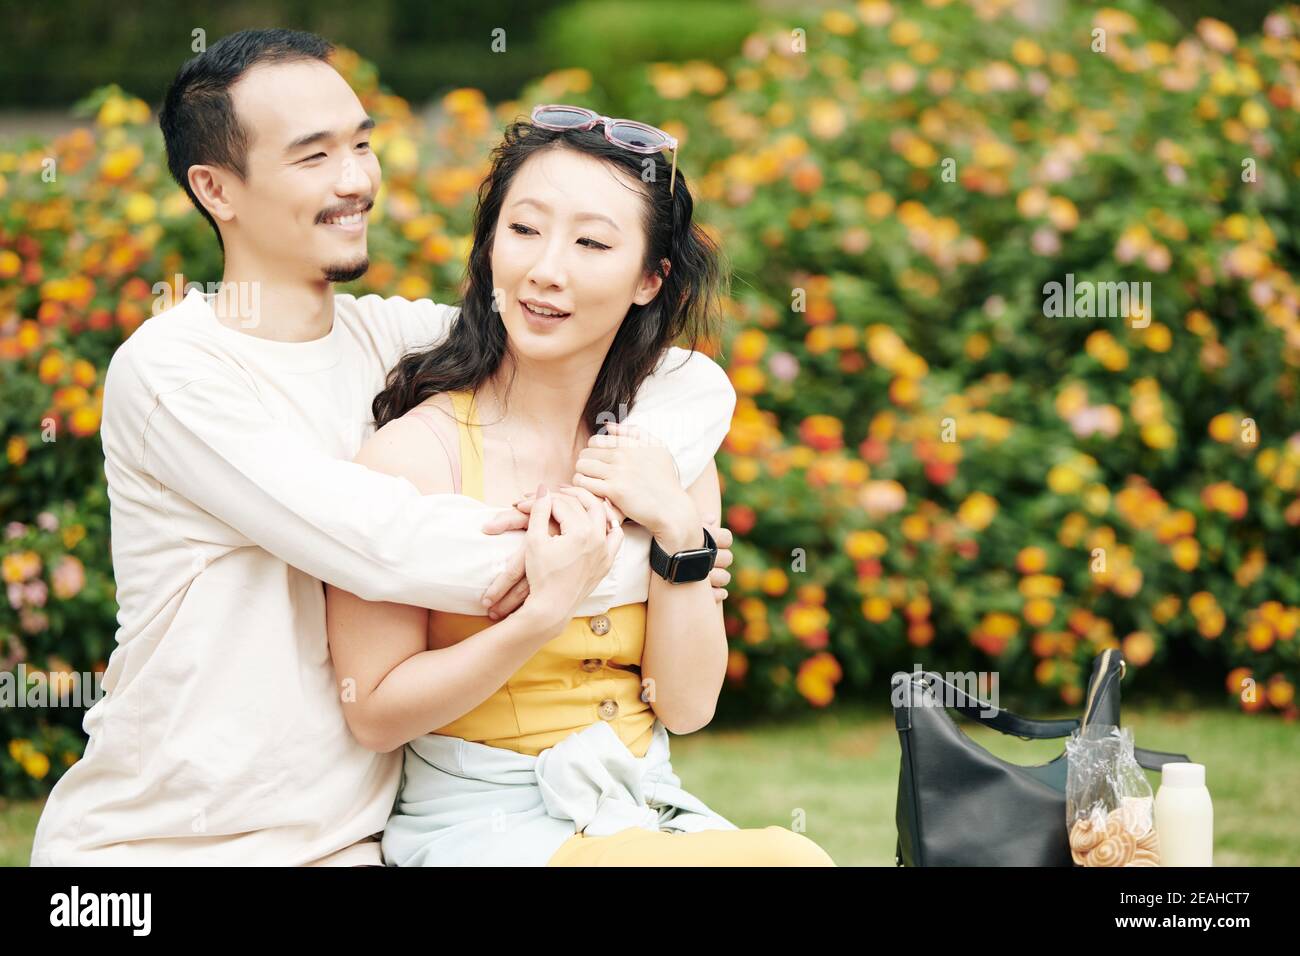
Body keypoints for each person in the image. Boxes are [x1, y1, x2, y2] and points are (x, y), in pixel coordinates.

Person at [30, 30, 735, 866]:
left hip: (349, 845)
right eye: (313, 156)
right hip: (166, 843)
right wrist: (625, 550)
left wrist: (666, 515)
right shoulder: (177, 372)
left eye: (361, 144)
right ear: (216, 189)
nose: (356, 179)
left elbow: (672, 374)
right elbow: (380, 544)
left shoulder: (388, 340)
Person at [325, 111, 835, 866]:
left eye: (591, 243)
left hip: (642, 808)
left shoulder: (664, 454)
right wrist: (544, 610)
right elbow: (372, 713)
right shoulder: (416, 455)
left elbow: (687, 708)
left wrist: (678, 534)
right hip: (481, 824)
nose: (545, 269)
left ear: (648, 279)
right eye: (524, 230)